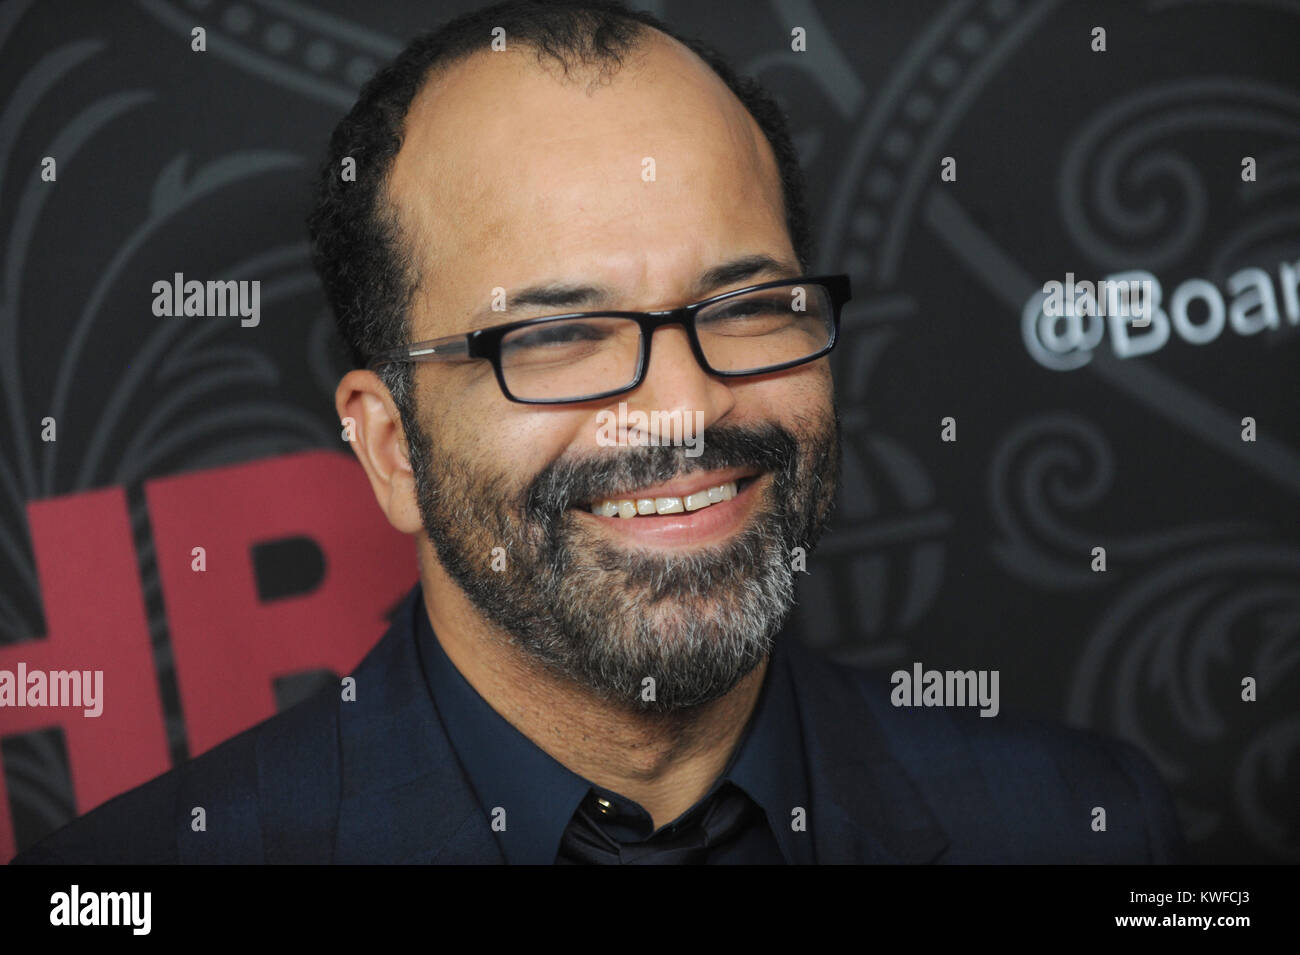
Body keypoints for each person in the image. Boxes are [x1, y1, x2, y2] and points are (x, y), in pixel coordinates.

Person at [13, 0, 1183, 864]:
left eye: (742, 306)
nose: (685, 406)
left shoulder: (1080, 826)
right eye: (558, 336)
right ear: (390, 448)